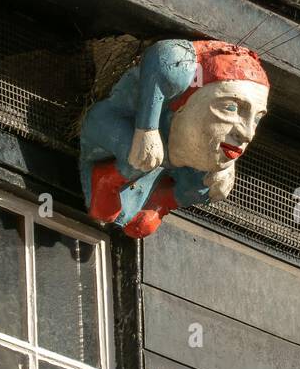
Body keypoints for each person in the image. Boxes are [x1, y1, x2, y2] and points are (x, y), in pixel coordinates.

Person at [80, 38, 269, 238]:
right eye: (230, 108)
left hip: (164, 163)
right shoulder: (186, 70)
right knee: (139, 153)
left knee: (210, 185)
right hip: (110, 127)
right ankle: (107, 179)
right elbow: (162, 57)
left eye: (256, 119)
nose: (248, 134)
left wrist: (225, 167)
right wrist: (147, 128)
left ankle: (161, 202)